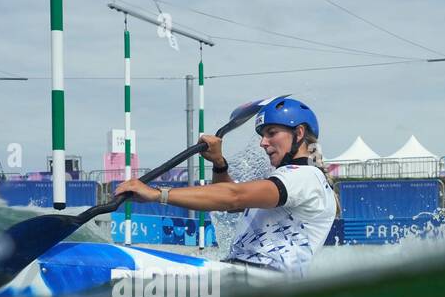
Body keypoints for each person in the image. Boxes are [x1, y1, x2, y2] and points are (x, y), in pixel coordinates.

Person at [113, 97, 338, 276]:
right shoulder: (291, 177)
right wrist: (219, 164)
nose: (263, 142)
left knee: (125, 268)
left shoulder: (305, 177)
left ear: (299, 133)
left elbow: (234, 197)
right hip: (245, 278)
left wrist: (157, 194)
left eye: (271, 133)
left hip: (263, 285)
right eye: (262, 135)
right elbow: (229, 204)